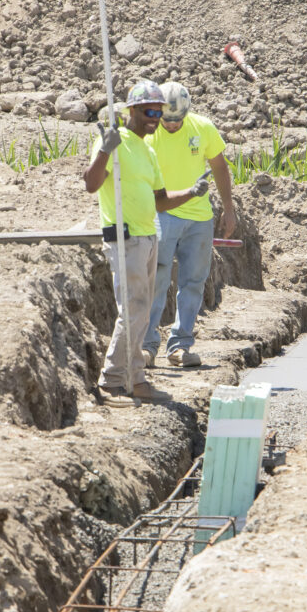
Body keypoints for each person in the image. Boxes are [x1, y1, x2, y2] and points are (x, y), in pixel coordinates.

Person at [83, 80, 207, 401]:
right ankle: (112, 379)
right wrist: (105, 151)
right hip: (125, 239)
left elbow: (160, 200)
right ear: (133, 111)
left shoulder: (147, 149)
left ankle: (137, 379)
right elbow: (91, 184)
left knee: (142, 309)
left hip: (148, 237)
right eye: (150, 111)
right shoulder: (113, 142)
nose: (155, 118)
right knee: (133, 310)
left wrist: (192, 193)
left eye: (159, 111)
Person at [141, 82, 237, 368]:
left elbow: (220, 166)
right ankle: (147, 345)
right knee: (156, 280)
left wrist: (229, 209)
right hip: (161, 215)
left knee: (193, 282)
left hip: (199, 218)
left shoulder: (202, 128)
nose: (171, 126)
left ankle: (180, 346)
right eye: (166, 120)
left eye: (176, 121)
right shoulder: (150, 133)